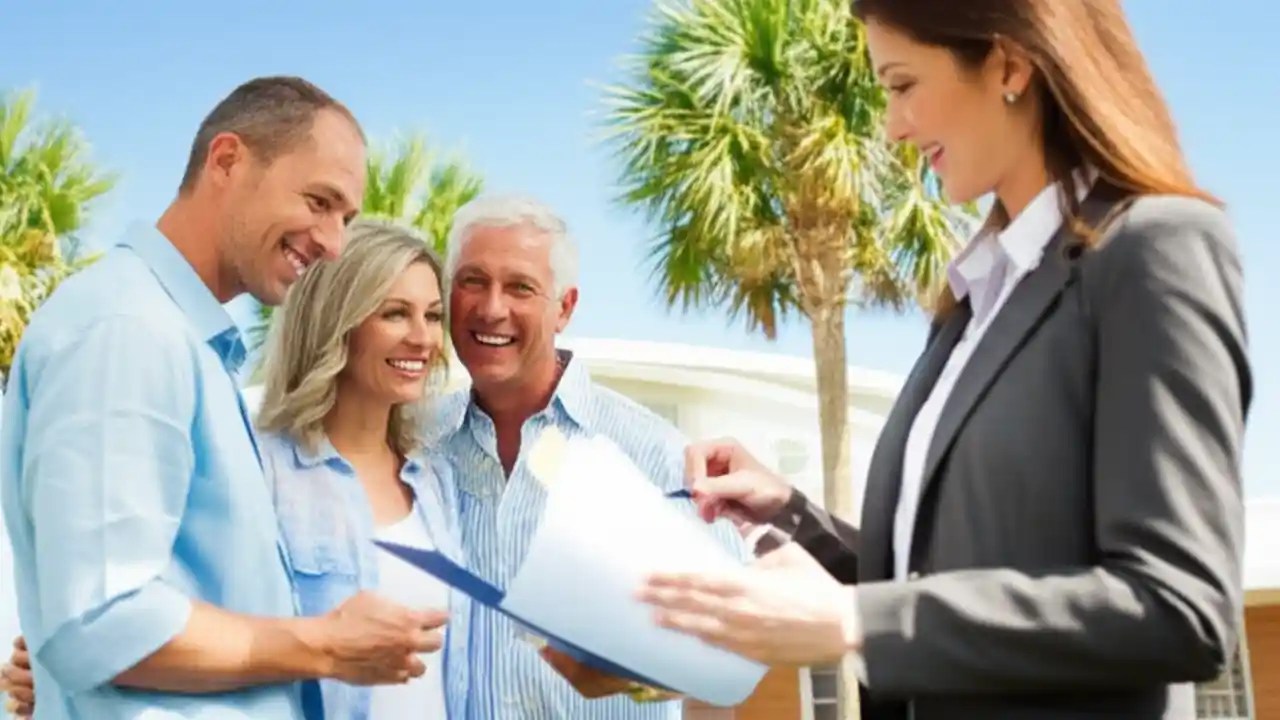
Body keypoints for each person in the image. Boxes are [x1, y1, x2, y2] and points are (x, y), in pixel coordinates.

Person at [636, 1, 1252, 719]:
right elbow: (932, 578)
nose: (893, 126)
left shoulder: (1156, 249)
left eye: (902, 85)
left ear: (1009, 63)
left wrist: (855, 623)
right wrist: (790, 513)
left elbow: (1180, 606)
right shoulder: (973, 303)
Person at [0, 77, 440, 720]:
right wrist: (324, 646)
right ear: (227, 161)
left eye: (345, 218)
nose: (333, 243)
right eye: (319, 201)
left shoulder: (186, 345)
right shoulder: (129, 330)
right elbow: (101, 620)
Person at [434, 194, 746, 718]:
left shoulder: (655, 454)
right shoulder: (410, 444)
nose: (491, 308)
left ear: (565, 307)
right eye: (472, 280)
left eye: (520, 287)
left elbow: (730, 645)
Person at [253, 218, 469, 720]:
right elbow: (185, 618)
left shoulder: (434, 480)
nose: (423, 338)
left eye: (433, 316)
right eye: (395, 314)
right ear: (336, 322)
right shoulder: (263, 466)